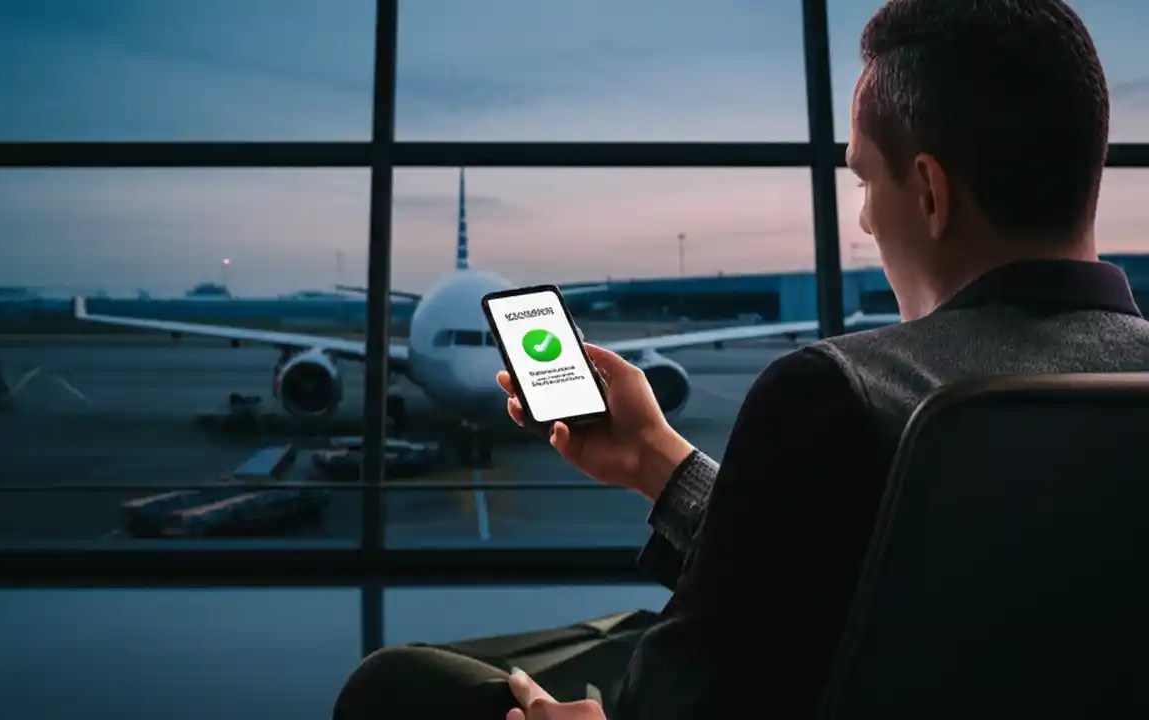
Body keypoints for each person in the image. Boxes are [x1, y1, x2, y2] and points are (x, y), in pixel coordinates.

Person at [333, 1, 1149, 717]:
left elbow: (698, 692)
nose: (864, 222)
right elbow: (883, 580)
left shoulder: (834, 394)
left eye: (865, 183)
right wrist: (661, 462)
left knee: (399, 685)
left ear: (930, 195)